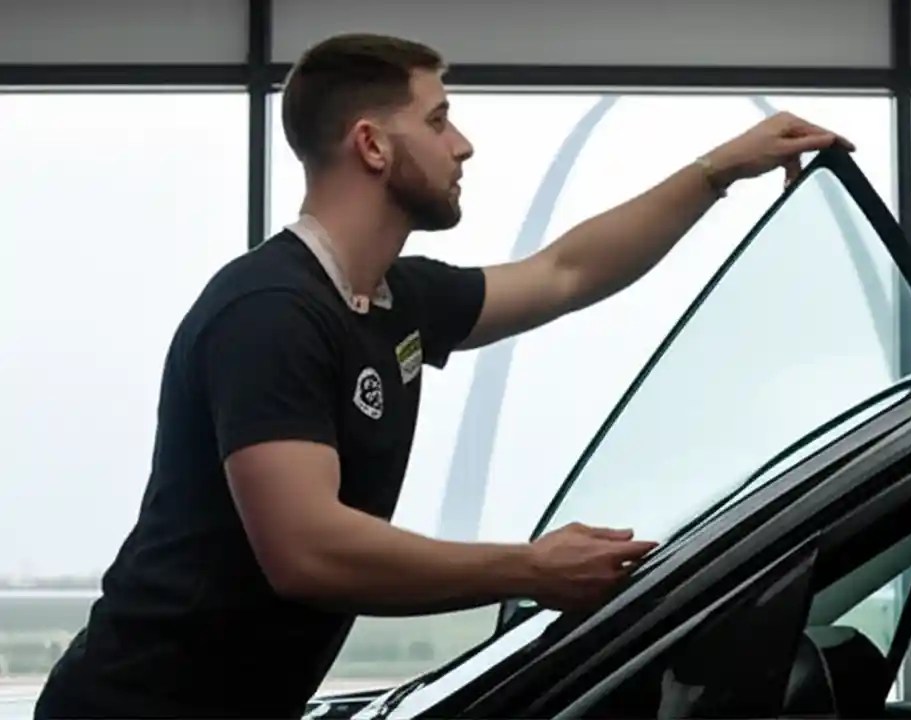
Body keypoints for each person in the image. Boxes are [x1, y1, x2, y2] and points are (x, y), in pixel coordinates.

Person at [34, 32, 854, 719]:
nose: (462, 144)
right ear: (372, 144)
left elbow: (565, 271)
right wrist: (530, 569)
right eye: (439, 118)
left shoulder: (395, 301)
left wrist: (718, 169)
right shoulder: (270, 313)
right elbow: (306, 551)